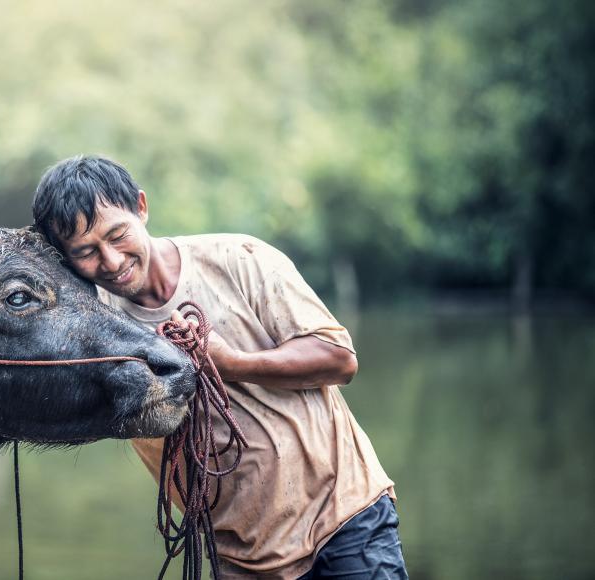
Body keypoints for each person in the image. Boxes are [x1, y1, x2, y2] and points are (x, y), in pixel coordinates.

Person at [31, 155, 408, 579]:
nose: (113, 261)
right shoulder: (93, 327)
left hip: (342, 517)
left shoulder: (240, 259)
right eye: (86, 252)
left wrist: (234, 364)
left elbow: (339, 359)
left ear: (141, 207)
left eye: (118, 236)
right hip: (240, 554)